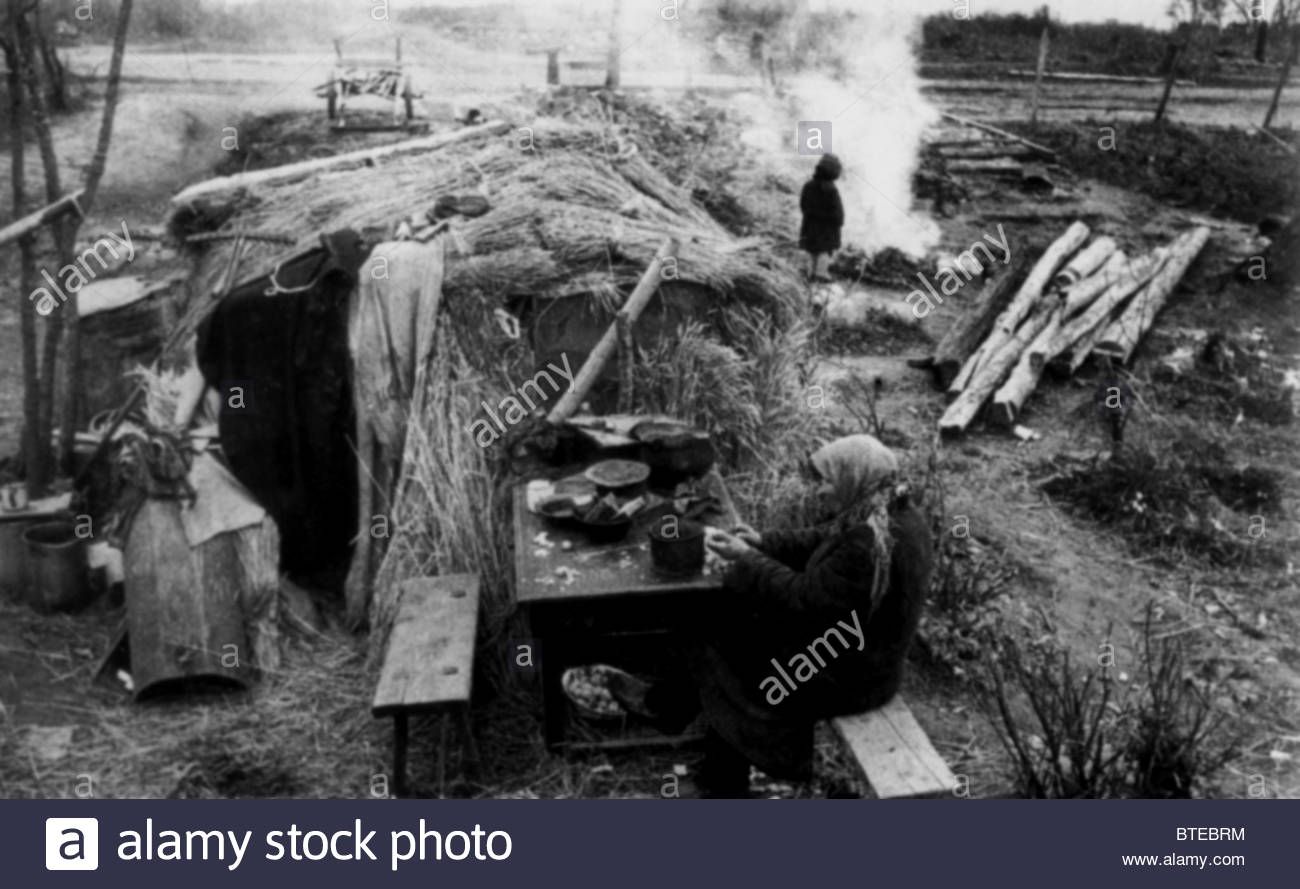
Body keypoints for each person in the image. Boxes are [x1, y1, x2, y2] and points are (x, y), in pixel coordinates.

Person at [608, 434, 934, 797]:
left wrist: (745, 559)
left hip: (846, 678)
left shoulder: (868, 544)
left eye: (828, 480)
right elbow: (821, 539)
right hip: (859, 658)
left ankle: (718, 779)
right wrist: (762, 542)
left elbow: (802, 600)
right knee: (728, 616)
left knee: (723, 645)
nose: (821, 490)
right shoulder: (890, 512)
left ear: (854, 477)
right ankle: (673, 714)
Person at [799, 153, 845, 283]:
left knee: (811, 249)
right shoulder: (831, 190)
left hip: (810, 225)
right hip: (827, 228)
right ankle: (821, 274)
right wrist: (838, 221)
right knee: (824, 251)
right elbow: (837, 211)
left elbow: (803, 205)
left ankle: (810, 273)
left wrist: (810, 215)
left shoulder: (808, 185)